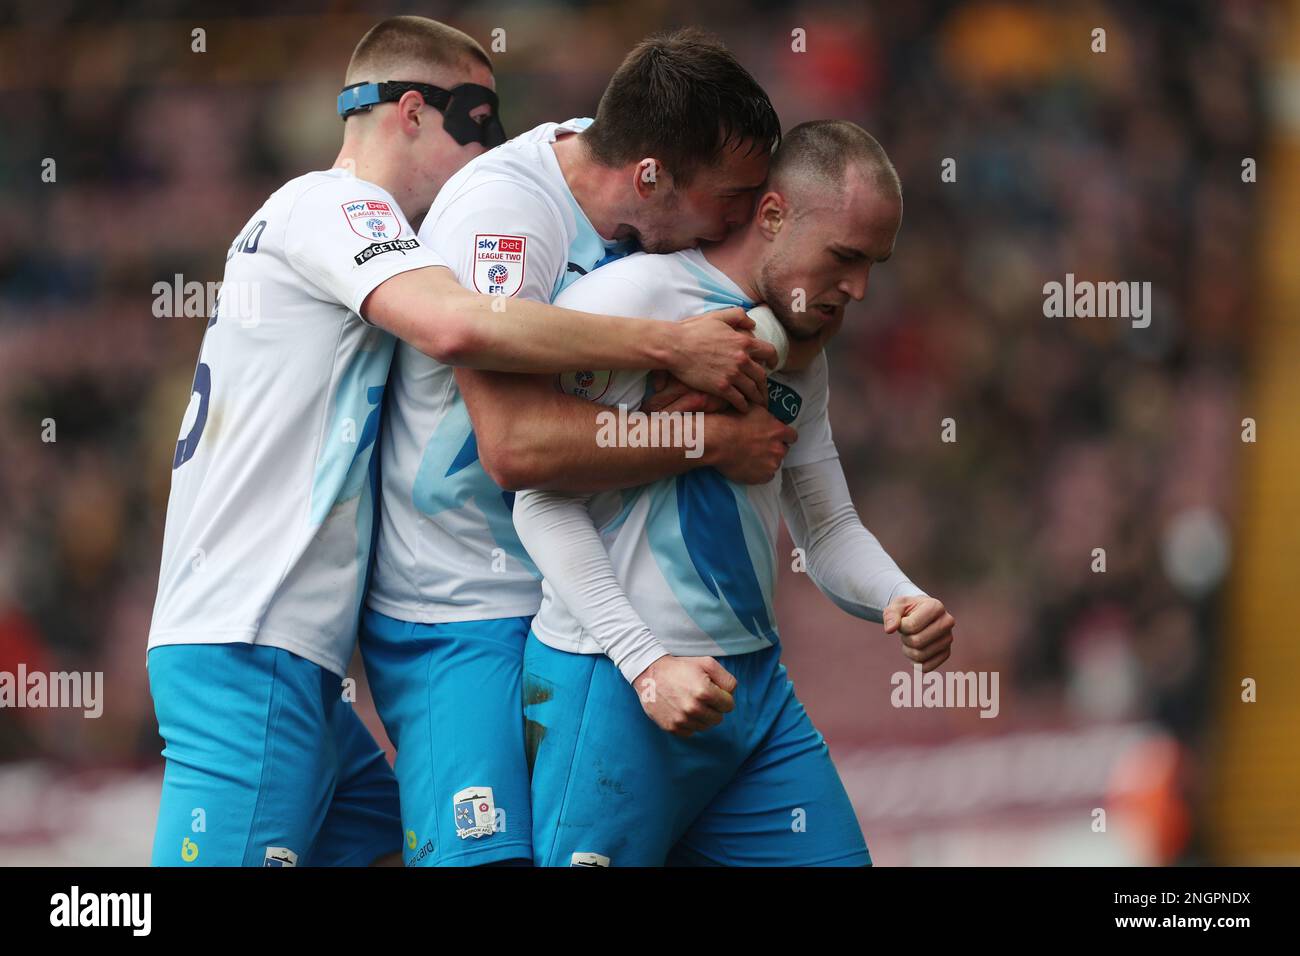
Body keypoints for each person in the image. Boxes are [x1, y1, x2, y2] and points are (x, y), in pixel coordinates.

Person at [147, 16, 769, 868]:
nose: (488, 155)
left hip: (291, 652)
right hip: (246, 640)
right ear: (411, 111)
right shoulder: (335, 204)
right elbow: (462, 324)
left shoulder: (342, 230)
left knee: (390, 843)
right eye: (480, 125)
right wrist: (667, 345)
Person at [361, 27, 797, 866]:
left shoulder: (631, 204)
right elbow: (517, 449)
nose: (741, 223)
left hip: (569, 601)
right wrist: (706, 438)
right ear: (652, 177)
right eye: (733, 198)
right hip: (461, 606)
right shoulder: (508, 220)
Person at [513, 121, 957, 866]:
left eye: (874, 265)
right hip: (617, 686)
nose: (859, 290)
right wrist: (646, 665)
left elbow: (828, 526)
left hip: (753, 694)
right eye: (844, 258)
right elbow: (540, 500)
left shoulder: (800, 345)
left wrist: (899, 597)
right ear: (774, 215)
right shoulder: (632, 299)